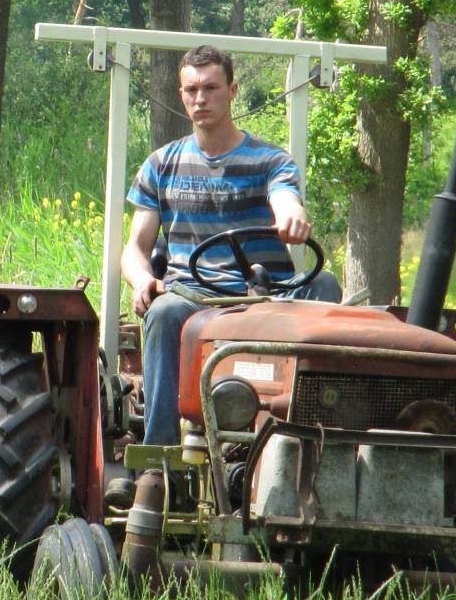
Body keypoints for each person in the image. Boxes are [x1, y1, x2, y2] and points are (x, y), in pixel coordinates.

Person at [122, 44, 342, 447]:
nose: (200, 98)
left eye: (211, 87)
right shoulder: (161, 164)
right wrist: (141, 280)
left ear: (233, 90)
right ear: (181, 95)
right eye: (191, 90)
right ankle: (160, 456)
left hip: (270, 294)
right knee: (164, 311)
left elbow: (285, 196)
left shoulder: (270, 161)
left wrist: (290, 214)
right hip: (195, 294)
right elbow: (135, 248)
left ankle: (316, 434)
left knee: (324, 287)